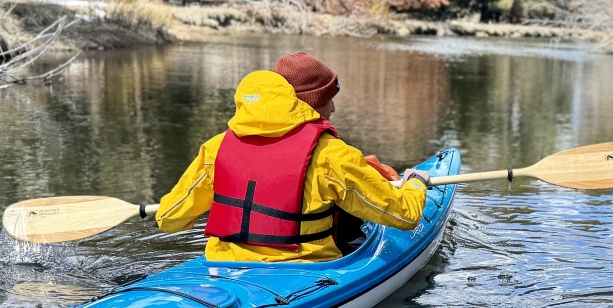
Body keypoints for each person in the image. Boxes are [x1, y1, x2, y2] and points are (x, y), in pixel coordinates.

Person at [154, 51, 429, 262]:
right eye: (328, 99)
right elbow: (405, 216)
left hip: (224, 268)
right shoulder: (332, 155)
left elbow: (168, 219)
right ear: (311, 103)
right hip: (307, 272)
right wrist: (416, 182)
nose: (333, 107)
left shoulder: (216, 148)